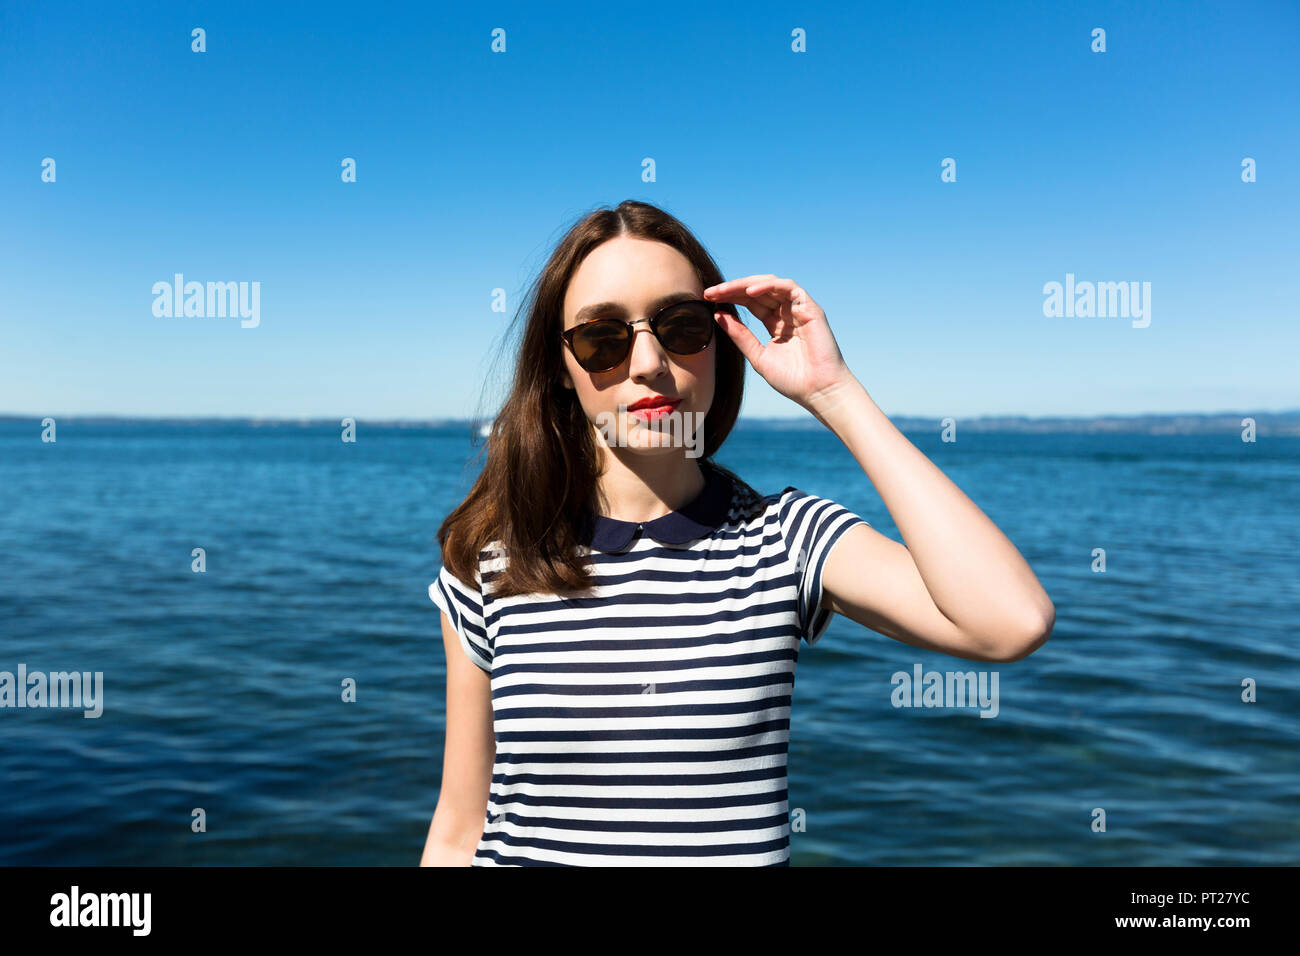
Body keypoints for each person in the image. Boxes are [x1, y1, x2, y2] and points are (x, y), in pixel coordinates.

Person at [421, 200, 1055, 866]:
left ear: (721, 342)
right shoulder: (492, 560)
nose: (647, 363)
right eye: (602, 337)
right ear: (559, 369)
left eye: (681, 326)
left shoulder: (786, 540)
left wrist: (833, 394)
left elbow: (1012, 621)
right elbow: (461, 825)